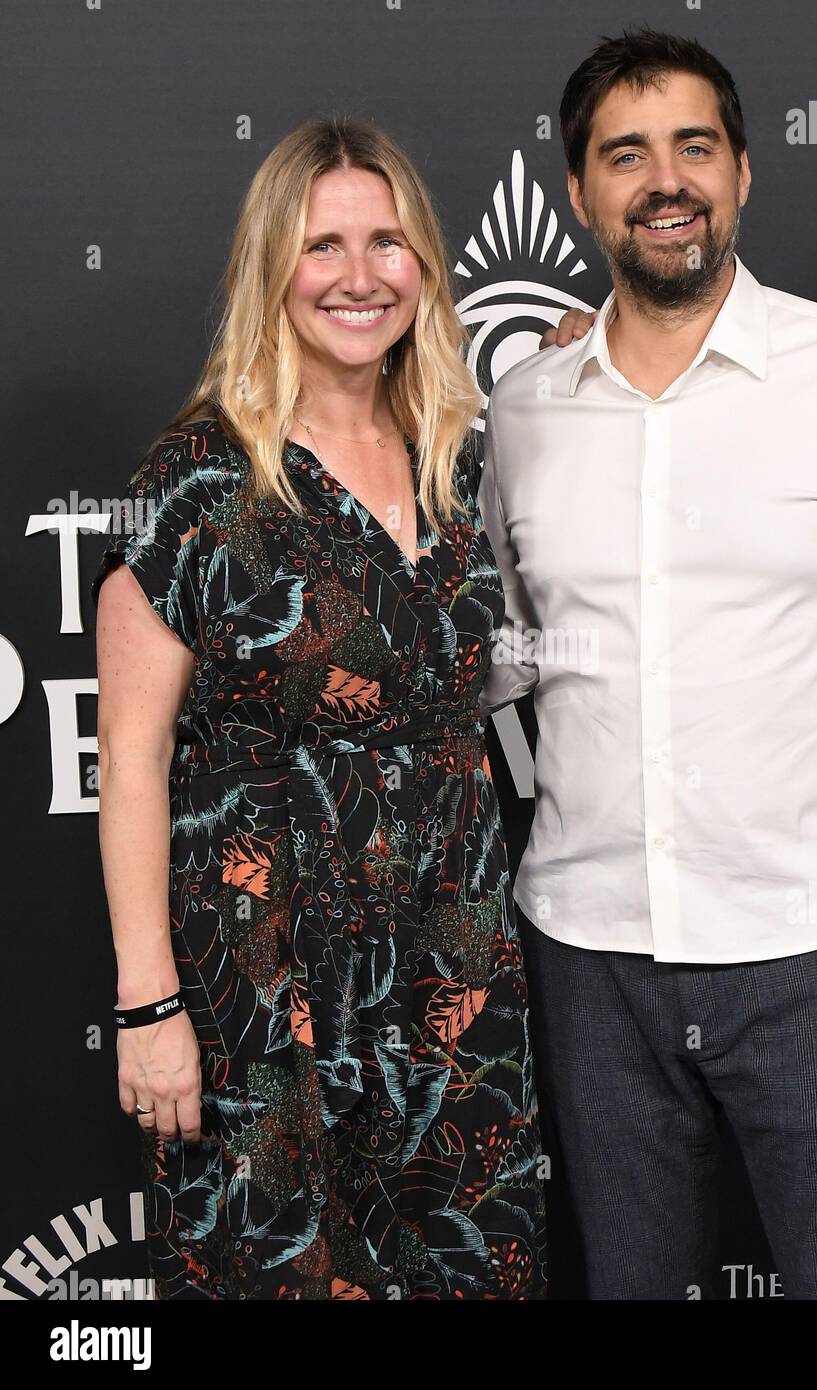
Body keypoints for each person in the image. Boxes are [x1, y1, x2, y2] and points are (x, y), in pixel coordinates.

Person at [479, 26, 817, 1299]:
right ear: (579, 194)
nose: (663, 181)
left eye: (692, 147)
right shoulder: (523, 411)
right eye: (625, 154)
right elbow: (501, 651)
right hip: (588, 952)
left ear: (740, 174)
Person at [93, 116, 546, 1300]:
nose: (359, 276)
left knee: (466, 1267)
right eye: (323, 246)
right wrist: (148, 1005)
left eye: (387, 242)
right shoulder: (193, 480)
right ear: (270, 270)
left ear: (426, 265)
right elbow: (131, 761)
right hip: (263, 973)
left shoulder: (461, 457)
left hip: (452, 960)